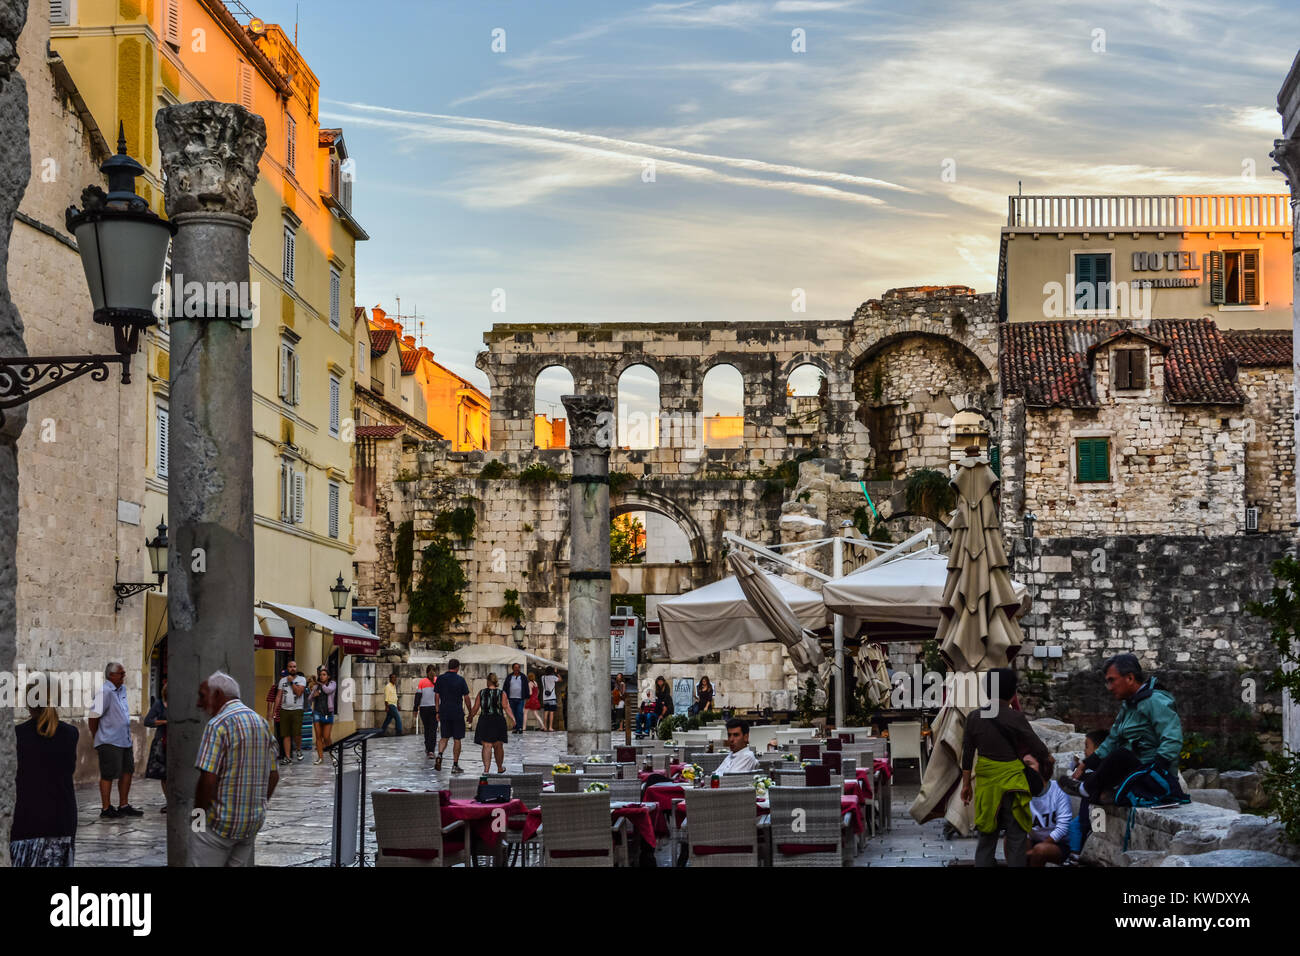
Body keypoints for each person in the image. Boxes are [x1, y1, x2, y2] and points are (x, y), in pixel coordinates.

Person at [960, 668, 1053, 868]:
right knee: (1017, 840)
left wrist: (966, 785)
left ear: (986, 691)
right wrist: (1048, 761)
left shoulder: (974, 718)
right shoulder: (1016, 718)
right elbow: (1039, 748)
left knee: (986, 838)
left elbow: (967, 756)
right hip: (1014, 785)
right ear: (1013, 693)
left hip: (987, 787)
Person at [191, 671, 279, 867]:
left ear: (218, 695)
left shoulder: (218, 725)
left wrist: (198, 817)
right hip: (251, 823)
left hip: (219, 824)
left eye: (202, 696)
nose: (199, 703)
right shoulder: (261, 723)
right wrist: (257, 807)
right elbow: (273, 775)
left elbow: (208, 779)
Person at [1071, 654, 1184, 805]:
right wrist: (1086, 764)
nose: (1109, 688)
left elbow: (1173, 740)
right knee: (1098, 766)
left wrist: (1153, 769)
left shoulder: (1155, 701)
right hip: (1136, 771)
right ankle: (1098, 790)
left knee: (1121, 755)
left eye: (1112, 680)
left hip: (1155, 776)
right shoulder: (1128, 706)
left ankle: (1088, 789)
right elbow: (1112, 740)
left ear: (1130, 678)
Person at [11, 678, 79, 866]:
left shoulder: (16, 734)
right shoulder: (71, 734)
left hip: (26, 818)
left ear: (27, 702)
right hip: (61, 817)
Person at [88, 662, 143, 818]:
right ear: (111, 675)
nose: (124, 676)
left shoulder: (122, 690)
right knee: (108, 773)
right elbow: (93, 716)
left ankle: (123, 804)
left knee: (128, 771)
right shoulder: (104, 692)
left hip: (124, 739)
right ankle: (106, 808)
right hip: (109, 739)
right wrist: (96, 735)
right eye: (121, 673)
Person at [1024, 754, 1072, 866]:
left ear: (1043, 767)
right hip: (1032, 841)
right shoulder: (1022, 790)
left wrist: (1033, 851)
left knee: (1040, 850)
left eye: (1029, 764)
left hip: (1057, 844)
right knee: (1010, 840)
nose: (1024, 769)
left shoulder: (1058, 790)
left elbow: (1062, 828)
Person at [469, 672, 516, 773]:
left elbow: (476, 708)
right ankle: (499, 767)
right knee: (498, 745)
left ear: (488, 681)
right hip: (498, 720)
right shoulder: (501, 693)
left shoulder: (481, 693)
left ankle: (486, 769)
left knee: (487, 745)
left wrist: (470, 716)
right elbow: (506, 707)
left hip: (485, 720)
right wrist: (513, 718)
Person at [435, 659, 473, 773]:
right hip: (457, 712)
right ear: (457, 668)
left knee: (444, 737)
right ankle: (455, 765)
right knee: (457, 739)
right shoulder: (460, 680)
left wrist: (437, 711)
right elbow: (466, 698)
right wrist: (470, 712)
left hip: (444, 711)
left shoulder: (440, 679)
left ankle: (440, 755)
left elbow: (437, 696)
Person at [274, 660, 307, 764]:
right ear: (287, 668)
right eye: (290, 667)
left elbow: (298, 693)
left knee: (297, 733)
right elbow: (279, 696)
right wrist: (275, 710)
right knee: (286, 734)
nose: (293, 668)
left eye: (294, 666)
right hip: (284, 709)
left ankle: (298, 749)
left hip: (297, 709)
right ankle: (288, 757)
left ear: (296, 668)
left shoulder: (302, 679)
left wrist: (291, 682)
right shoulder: (282, 680)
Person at [143, 680, 168, 812]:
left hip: (177, 741)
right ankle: (169, 801)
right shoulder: (159, 704)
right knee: (164, 773)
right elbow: (147, 721)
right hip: (162, 741)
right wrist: (164, 721)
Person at [310, 667, 337, 764]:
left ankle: (332, 755)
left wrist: (320, 684)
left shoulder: (332, 684)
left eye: (324, 675)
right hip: (317, 712)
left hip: (328, 713)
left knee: (326, 737)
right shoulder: (316, 686)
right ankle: (320, 758)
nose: (322, 676)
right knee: (318, 736)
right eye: (320, 675)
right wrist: (313, 695)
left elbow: (328, 690)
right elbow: (309, 699)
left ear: (328, 676)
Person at [415, 665, 439, 758]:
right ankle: (430, 749)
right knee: (430, 729)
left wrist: (415, 708)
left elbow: (418, 696)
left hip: (428, 708)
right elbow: (418, 696)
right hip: (430, 708)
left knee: (429, 729)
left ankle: (429, 748)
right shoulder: (436, 681)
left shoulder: (423, 682)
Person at [503, 663, 529, 737]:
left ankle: (520, 727)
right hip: (511, 698)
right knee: (513, 713)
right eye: (515, 667)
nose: (517, 669)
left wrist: (527, 697)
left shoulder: (523, 677)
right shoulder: (509, 677)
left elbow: (526, 687)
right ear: (513, 668)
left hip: (520, 698)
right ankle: (515, 728)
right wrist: (504, 696)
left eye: (518, 667)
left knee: (519, 712)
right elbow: (505, 687)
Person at [265, 674, 283, 759]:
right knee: (279, 734)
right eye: (281, 677)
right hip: (278, 715)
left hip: (288, 713)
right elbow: (270, 700)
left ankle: (287, 753)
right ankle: (280, 753)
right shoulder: (275, 688)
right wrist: (269, 713)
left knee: (287, 735)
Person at [539, 665, 561, 732]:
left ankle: (545, 727)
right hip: (552, 698)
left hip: (545, 698)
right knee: (551, 713)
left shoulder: (542, 677)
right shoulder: (553, 677)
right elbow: (560, 679)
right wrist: (556, 673)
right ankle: (550, 727)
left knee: (546, 712)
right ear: (552, 671)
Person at [380, 672, 403, 736]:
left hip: (394, 705)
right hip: (390, 705)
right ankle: (399, 732)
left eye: (395, 678)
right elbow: (386, 697)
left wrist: (398, 705)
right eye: (393, 678)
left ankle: (381, 732)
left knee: (387, 720)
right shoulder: (388, 686)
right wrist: (386, 706)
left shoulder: (394, 686)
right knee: (398, 718)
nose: (394, 679)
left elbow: (395, 696)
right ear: (390, 679)